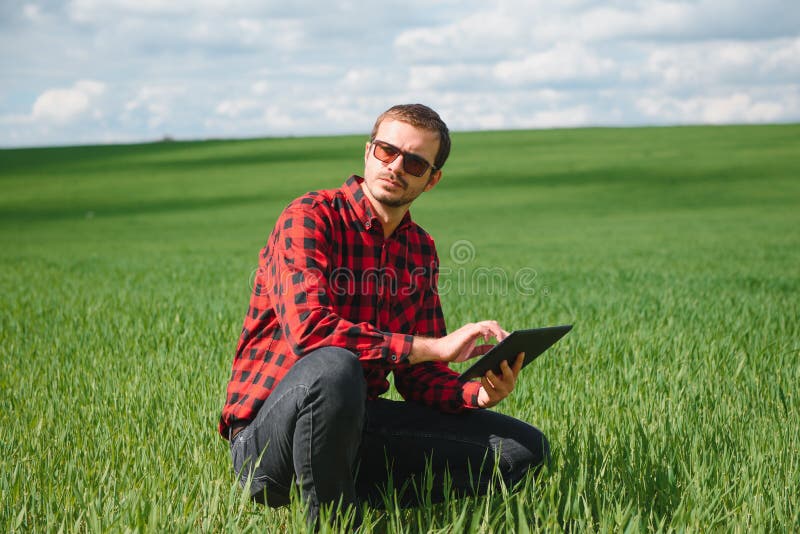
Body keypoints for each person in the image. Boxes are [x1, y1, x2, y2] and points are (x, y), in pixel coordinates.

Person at [219, 103, 549, 527]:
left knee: (523, 449)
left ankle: (362, 500)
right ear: (367, 151)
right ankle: (337, 522)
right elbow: (310, 333)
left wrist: (477, 394)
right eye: (386, 151)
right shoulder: (309, 217)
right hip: (266, 444)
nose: (396, 167)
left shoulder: (419, 249)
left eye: (414, 162)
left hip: (356, 428)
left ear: (432, 180)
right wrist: (429, 347)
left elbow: (418, 377)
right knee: (335, 366)